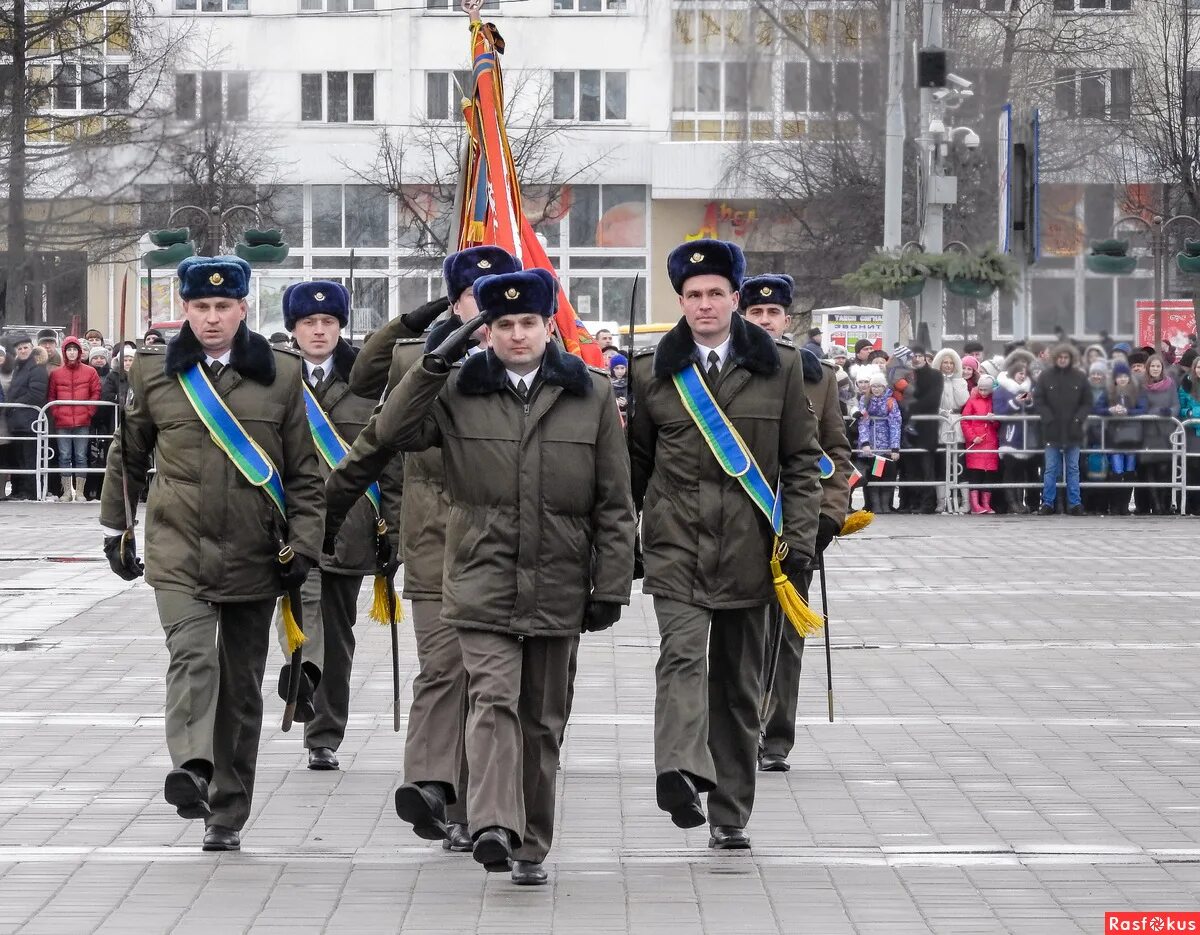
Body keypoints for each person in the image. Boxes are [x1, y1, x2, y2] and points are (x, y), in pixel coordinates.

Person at [336, 266, 634, 885]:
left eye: (529, 322)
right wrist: (431, 368)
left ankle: (530, 844)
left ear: (550, 325)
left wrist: (611, 582)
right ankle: (494, 824)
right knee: (493, 697)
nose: (518, 334)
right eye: (504, 324)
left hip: (557, 576)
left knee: (544, 717)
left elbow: (613, 498)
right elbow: (390, 433)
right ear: (487, 331)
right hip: (478, 573)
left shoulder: (593, 394)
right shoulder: (455, 390)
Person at [100, 256, 324, 852]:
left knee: (242, 687)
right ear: (185, 310)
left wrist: (303, 543)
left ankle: (226, 811)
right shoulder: (153, 373)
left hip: (257, 554)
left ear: (244, 308)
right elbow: (128, 456)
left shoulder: (280, 375)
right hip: (178, 549)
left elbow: (304, 472)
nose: (212, 318)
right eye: (200, 307)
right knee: (194, 655)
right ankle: (194, 769)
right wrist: (117, 530)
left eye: (223, 307)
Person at [628, 239, 822, 851]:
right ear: (679, 301)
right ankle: (682, 773)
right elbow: (633, 470)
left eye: (716, 293)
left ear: (736, 298)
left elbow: (801, 461)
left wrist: (799, 538)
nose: (705, 304)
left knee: (738, 686)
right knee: (681, 659)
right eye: (693, 295)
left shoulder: (783, 367)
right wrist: (623, 544)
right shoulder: (649, 372)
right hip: (676, 544)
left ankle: (730, 811)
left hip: (751, 550)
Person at [339, 245, 520, 857]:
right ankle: (430, 788)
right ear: (457, 299)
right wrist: (417, 321)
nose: (486, 308)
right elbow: (362, 380)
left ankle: (479, 808)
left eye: (497, 296)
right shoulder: (418, 356)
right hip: (432, 536)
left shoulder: (525, 360)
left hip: (499, 543)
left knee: (487, 678)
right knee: (441, 669)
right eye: (474, 295)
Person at [278, 281, 403, 772]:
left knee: (337, 631)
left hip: (350, 530)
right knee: (301, 618)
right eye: (308, 322)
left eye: (328, 322)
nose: (318, 330)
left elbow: (390, 460)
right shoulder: (277, 379)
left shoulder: (368, 383)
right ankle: (302, 680)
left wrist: (394, 526)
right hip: (290, 530)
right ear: (293, 328)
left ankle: (324, 734)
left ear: (340, 327)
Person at [740, 273, 851, 774]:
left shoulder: (818, 376)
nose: (765, 321)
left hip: (796, 523)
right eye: (756, 313)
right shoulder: (724, 371)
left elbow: (836, 451)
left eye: (773, 314)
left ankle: (776, 736)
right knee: (738, 634)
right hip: (740, 522)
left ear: (788, 319)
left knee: (787, 634)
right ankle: (736, 726)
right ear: (743, 316)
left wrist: (829, 516)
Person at [1033, 344, 1091, 515]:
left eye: (1066, 357)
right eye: (1060, 357)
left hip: (1073, 430)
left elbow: (1087, 402)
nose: (1063, 360)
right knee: (1050, 469)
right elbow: (1039, 399)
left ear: (1071, 358)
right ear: (1055, 358)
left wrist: (1079, 418)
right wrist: (1048, 417)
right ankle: (1048, 503)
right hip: (1052, 430)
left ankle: (1075, 503)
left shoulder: (1080, 377)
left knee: (1073, 468)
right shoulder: (1045, 377)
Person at [46, 336, 102, 502]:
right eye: (69, 349)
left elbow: (96, 393)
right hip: (62, 421)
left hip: (82, 421)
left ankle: (80, 492)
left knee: (80, 455)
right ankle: (66, 492)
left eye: (74, 349)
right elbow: (51, 396)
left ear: (79, 352)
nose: (72, 353)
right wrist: (56, 413)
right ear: (64, 352)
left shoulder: (90, 371)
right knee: (64, 455)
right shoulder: (56, 374)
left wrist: (89, 412)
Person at [1094, 360, 1146, 516]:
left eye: (1125, 376)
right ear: (1115, 378)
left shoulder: (1136, 390)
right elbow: (1097, 408)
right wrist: (1110, 410)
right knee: (1117, 470)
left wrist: (1128, 412)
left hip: (1132, 437)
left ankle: (1124, 505)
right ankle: (1115, 505)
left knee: (1130, 471)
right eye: (1119, 376)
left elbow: (1143, 408)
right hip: (1114, 437)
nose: (1122, 379)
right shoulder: (1108, 392)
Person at [901, 345, 944, 514]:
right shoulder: (905, 375)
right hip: (907, 428)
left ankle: (927, 502)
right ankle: (913, 501)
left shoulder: (934, 375)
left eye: (919, 355)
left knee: (927, 466)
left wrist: (910, 408)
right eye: (913, 356)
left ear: (925, 358)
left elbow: (932, 400)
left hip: (926, 427)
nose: (916, 359)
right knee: (910, 468)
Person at [993, 359, 1038, 514]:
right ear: (1013, 373)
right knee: (1010, 471)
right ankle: (1011, 502)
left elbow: (1034, 411)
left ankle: (1020, 502)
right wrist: (1015, 402)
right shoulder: (1001, 390)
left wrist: (1030, 402)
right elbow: (999, 412)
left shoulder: (1027, 389)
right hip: (1009, 436)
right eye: (1020, 373)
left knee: (1020, 472)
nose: (1022, 376)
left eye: (1024, 374)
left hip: (1024, 436)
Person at [6, 336, 48, 500]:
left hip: (29, 420)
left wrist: (15, 404)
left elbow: (36, 394)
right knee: (18, 458)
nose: (22, 351)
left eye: (25, 348)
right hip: (17, 421)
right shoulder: (18, 368)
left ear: (32, 349)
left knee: (29, 457)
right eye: (20, 348)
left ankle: (31, 491)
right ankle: (18, 490)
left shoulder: (37, 368)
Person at [1137, 354, 1177, 516]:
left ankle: (1165, 503)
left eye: (1158, 366)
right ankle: (1156, 505)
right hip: (1148, 431)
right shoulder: (1141, 384)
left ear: (1162, 368)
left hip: (1165, 431)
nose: (1155, 369)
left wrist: (1169, 412)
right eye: (1152, 366)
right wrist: (1154, 412)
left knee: (1164, 468)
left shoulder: (1170, 384)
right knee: (1150, 469)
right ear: (1148, 367)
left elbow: (1176, 404)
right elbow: (1139, 405)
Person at [858, 371, 901, 513]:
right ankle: (876, 505)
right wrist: (865, 443)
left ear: (884, 387)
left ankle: (885, 504)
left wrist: (895, 447)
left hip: (886, 446)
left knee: (888, 476)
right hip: (872, 447)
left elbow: (895, 424)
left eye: (879, 386)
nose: (876, 389)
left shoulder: (891, 401)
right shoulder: (865, 400)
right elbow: (862, 422)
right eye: (874, 386)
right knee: (875, 476)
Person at [932, 349, 969, 512]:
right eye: (945, 362)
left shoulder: (960, 381)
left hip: (956, 422)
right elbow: (932, 401)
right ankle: (942, 501)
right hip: (940, 422)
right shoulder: (934, 380)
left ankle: (964, 500)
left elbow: (962, 401)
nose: (948, 366)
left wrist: (955, 382)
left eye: (951, 363)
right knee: (941, 464)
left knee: (959, 463)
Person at [961, 375, 999, 514]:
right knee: (975, 474)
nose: (983, 392)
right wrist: (972, 437)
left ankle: (986, 504)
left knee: (988, 475)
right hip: (977, 443)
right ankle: (975, 505)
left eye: (986, 390)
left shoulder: (993, 401)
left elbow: (997, 424)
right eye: (981, 389)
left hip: (990, 441)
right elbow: (964, 420)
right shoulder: (972, 401)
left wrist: (993, 420)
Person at [1178, 355, 1200, 515]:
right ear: (1194, 368)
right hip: (1192, 431)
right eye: (1198, 367)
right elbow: (1180, 408)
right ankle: (1192, 504)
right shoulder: (1186, 384)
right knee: (1192, 467)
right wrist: (1191, 412)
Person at [609, 352, 629, 418]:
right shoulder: (607, 383)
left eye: (622, 368)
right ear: (612, 369)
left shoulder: (631, 383)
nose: (620, 371)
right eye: (616, 368)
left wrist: (627, 402)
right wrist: (615, 403)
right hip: (612, 417)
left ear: (626, 368)